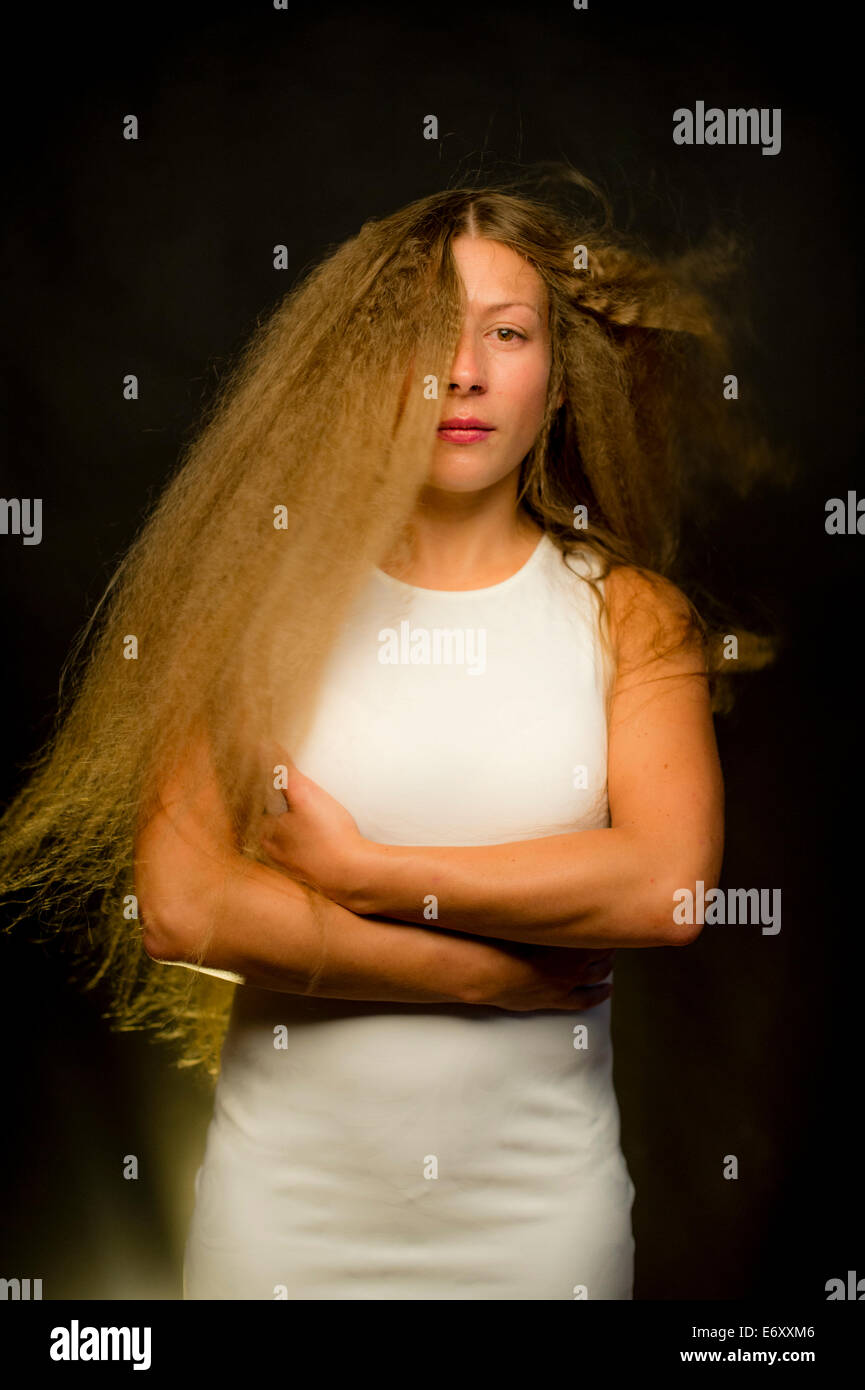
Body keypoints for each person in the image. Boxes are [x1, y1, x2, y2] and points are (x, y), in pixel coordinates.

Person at [0, 170, 774, 1300]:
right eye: (419, 334)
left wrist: (366, 870)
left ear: (556, 378)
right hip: (285, 1226)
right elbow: (183, 903)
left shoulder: (627, 614)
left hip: (538, 1224)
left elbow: (663, 886)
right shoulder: (247, 604)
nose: (461, 370)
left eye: (506, 333)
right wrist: (473, 976)